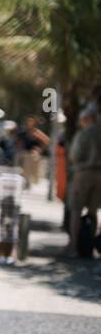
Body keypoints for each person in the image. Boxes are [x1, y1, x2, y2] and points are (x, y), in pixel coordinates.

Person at [67, 104, 101, 257]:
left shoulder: (84, 134)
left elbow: (74, 156)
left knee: (76, 210)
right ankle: (90, 248)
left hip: (83, 174)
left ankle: (74, 247)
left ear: (86, 119)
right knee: (93, 212)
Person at [16, 115, 50, 187]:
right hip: (25, 154)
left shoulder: (36, 132)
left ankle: (29, 183)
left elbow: (47, 141)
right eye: (29, 121)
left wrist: (40, 149)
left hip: (33, 154)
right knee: (24, 170)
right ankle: (26, 182)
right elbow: (19, 142)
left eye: (31, 121)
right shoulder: (24, 132)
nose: (30, 123)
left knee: (32, 171)